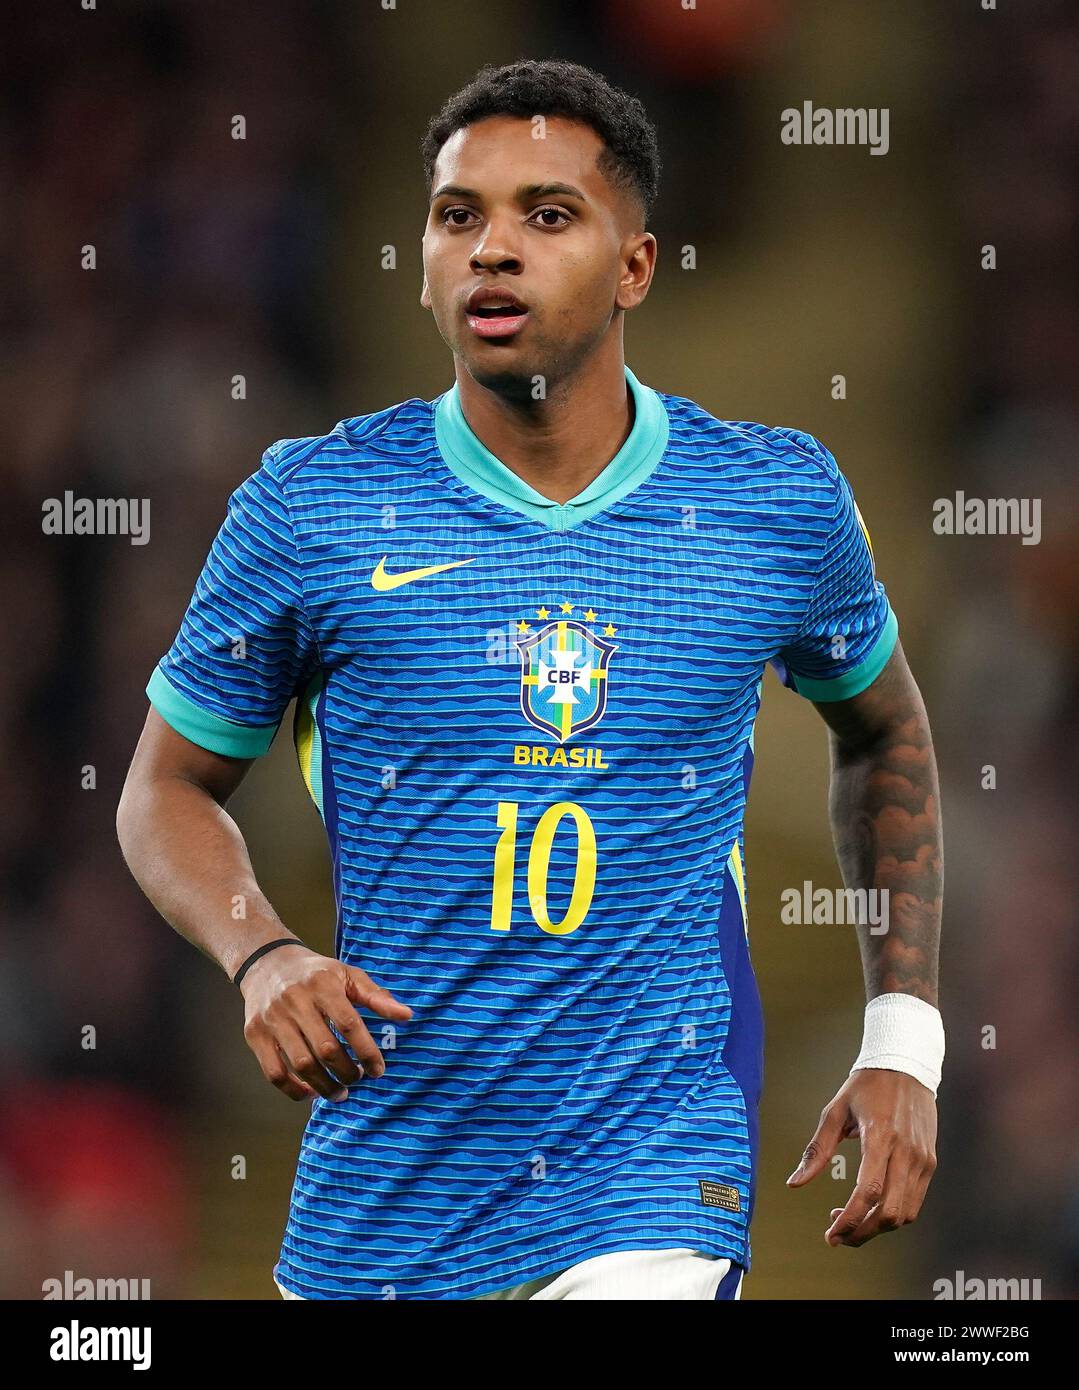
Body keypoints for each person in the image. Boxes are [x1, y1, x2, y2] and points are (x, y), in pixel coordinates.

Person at [117, 59, 943, 1301]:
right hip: (388, 1178)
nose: (491, 249)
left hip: (653, 1164)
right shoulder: (313, 510)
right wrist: (263, 955)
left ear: (635, 267)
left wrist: (903, 1040)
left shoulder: (771, 502)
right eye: (460, 216)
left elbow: (881, 733)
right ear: (422, 258)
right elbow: (165, 789)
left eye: (544, 215)